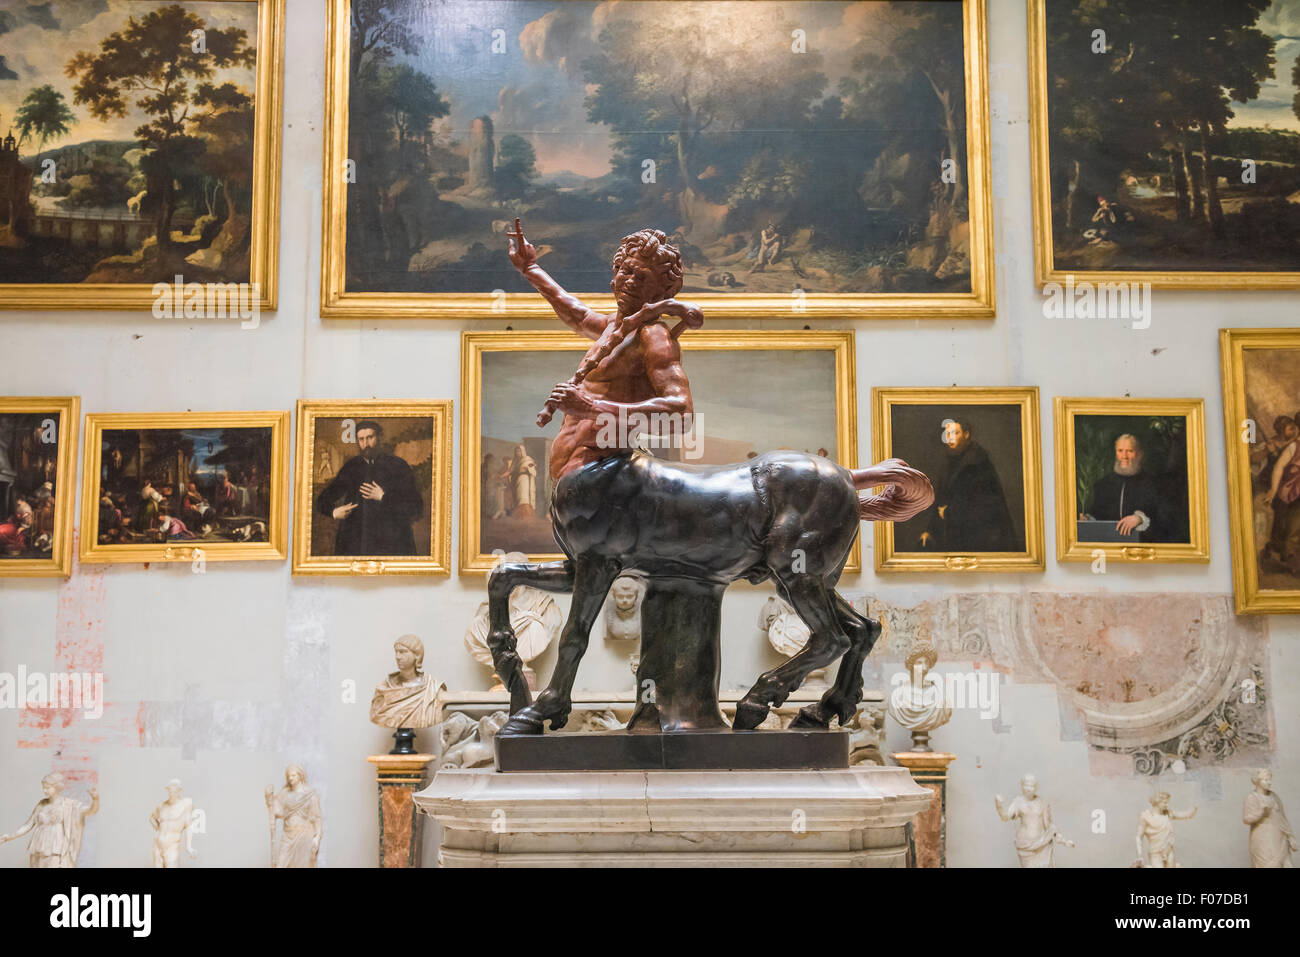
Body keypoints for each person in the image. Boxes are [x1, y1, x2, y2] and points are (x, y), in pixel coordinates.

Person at [506, 219, 701, 482]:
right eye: (627, 270)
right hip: (579, 476)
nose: (630, 281)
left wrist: (591, 406)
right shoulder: (612, 327)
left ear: (660, 291)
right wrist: (531, 268)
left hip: (605, 474)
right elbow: (576, 312)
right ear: (616, 270)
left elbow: (681, 413)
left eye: (642, 277)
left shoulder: (652, 335)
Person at [314, 420, 423, 555]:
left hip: (391, 542)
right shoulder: (351, 467)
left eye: (370, 437)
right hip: (356, 543)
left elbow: (415, 507)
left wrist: (383, 497)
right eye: (361, 439)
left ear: (379, 438)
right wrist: (334, 512)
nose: (366, 444)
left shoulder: (397, 466)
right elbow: (322, 500)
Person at [918, 417, 1018, 551]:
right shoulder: (948, 462)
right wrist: (930, 530)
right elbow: (941, 499)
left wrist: (949, 513)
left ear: (966, 434)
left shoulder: (978, 462)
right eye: (948, 434)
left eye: (955, 433)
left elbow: (986, 504)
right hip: (953, 534)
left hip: (981, 537)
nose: (950, 438)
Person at [0, 772, 99, 868]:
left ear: (57, 787)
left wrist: (95, 800)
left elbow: (90, 811)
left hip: (56, 848)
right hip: (38, 846)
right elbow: (28, 825)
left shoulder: (69, 805)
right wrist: (10, 836)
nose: (44, 791)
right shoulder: (41, 804)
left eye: (47, 788)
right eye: (43, 788)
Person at [1081, 433, 1164, 541]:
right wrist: (1088, 519)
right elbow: (1098, 513)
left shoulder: (1152, 483)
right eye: (1120, 451)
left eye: (1130, 451)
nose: (1124, 456)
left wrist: (1139, 519)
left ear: (1140, 454)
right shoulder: (1103, 484)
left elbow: (1162, 517)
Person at [995, 774, 1074, 868]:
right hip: (1025, 845)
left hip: (1043, 844)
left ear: (1036, 787)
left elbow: (1050, 826)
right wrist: (999, 806)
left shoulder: (1043, 803)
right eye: (1025, 785)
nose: (1028, 788)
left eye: (1031, 785)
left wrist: (1063, 841)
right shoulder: (1018, 802)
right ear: (1021, 786)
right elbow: (1005, 817)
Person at [369, 635, 445, 730]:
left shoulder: (432, 688)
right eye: (396, 652)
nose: (398, 657)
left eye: (403, 652)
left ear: (417, 655)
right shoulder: (384, 688)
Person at [265, 765, 322, 868]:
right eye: (288, 776)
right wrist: (269, 798)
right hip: (287, 835)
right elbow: (277, 811)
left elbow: (316, 818)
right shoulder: (284, 793)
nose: (290, 778)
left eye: (293, 775)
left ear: (300, 776)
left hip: (304, 835)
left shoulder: (310, 795)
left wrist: (317, 837)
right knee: (281, 864)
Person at [1243, 769, 1295, 868]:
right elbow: (1246, 819)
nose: (1269, 782)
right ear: (1258, 781)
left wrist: (1290, 836)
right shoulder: (1252, 797)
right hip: (1262, 837)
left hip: (1279, 836)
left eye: (1270, 779)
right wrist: (1260, 813)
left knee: (1285, 863)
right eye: (1266, 780)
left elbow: (1282, 817)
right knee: (1267, 864)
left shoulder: (1274, 796)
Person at [1136, 792, 1196, 868]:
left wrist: (1195, 806)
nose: (1167, 805)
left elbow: (1188, 815)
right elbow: (1139, 837)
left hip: (1169, 851)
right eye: (1165, 803)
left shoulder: (1168, 813)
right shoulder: (1146, 816)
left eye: (1167, 803)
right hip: (1155, 852)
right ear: (1157, 802)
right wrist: (1140, 855)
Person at [149, 780, 196, 868]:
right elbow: (152, 818)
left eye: (175, 789)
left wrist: (188, 847)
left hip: (172, 844)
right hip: (157, 844)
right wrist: (159, 830)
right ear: (168, 790)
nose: (172, 792)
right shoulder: (162, 805)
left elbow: (189, 826)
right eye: (170, 789)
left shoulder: (186, 804)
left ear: (179, 790)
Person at [508, 444, 538, 518]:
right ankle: (518, 516)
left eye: (519, 451)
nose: (517, 452)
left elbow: (533, 471)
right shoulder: (515, 461)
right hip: (517, 480)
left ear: (522, 451)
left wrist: (530, 468)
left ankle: (526, 516)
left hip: (524, 480)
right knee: (518, 497)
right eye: (516, 451)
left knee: (523, 497)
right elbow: (511, 471)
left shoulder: (527, 459)